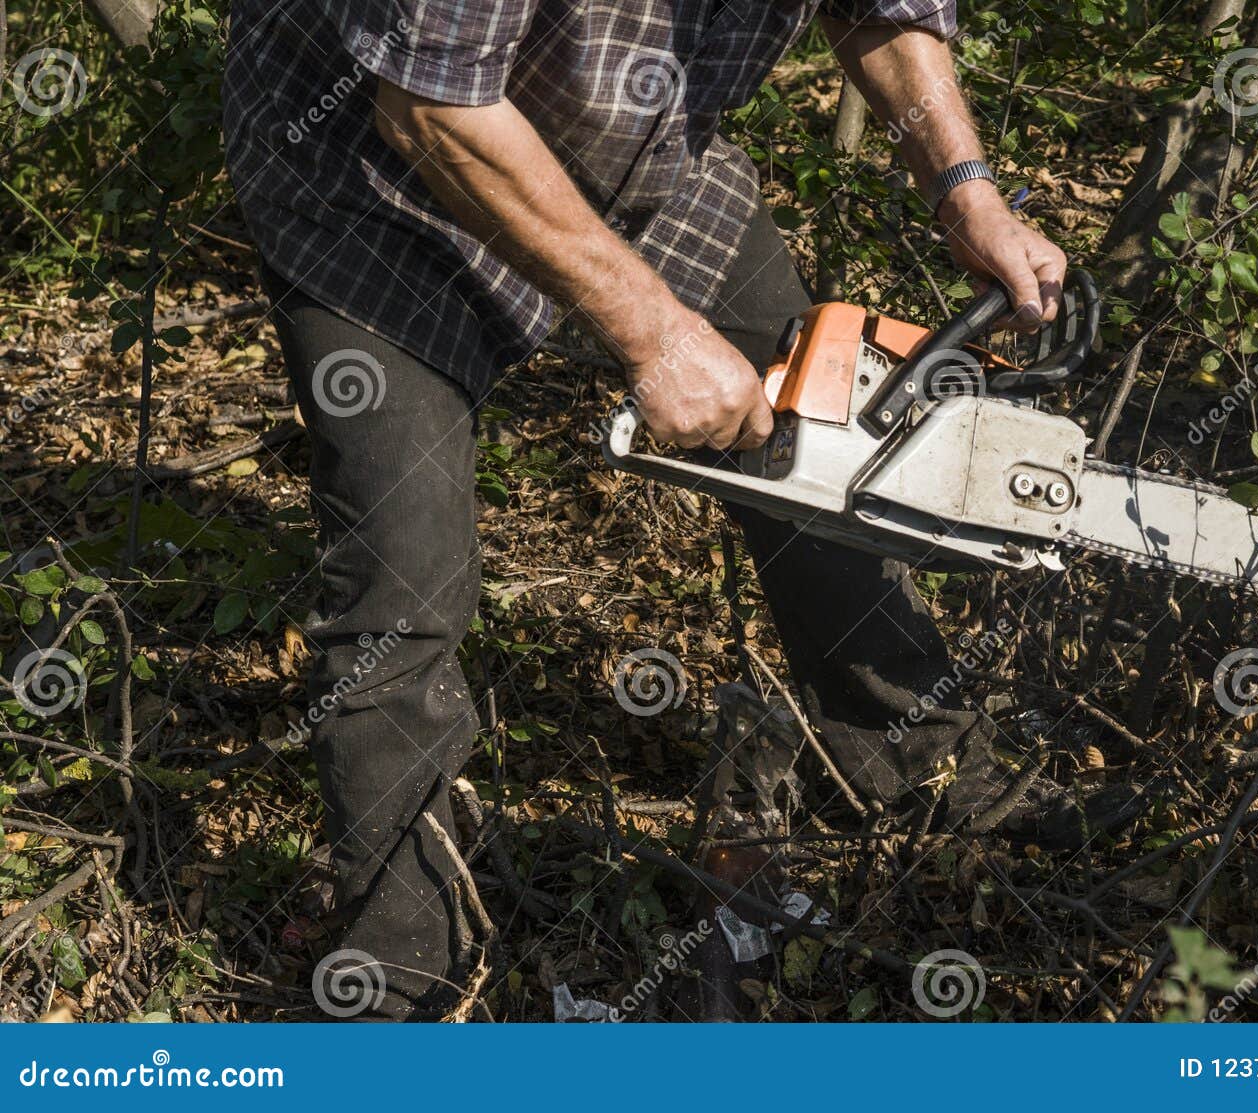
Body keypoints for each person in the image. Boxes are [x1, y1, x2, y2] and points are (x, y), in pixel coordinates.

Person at [223, 0, 1091, 1019]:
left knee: (824, 441)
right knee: (402, 571)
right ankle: (406, 957)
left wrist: (965, 189)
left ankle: (922, 760)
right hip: (378, 183)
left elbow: (884, 9)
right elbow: (432, 106)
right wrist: (654, 335)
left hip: (643, 164)